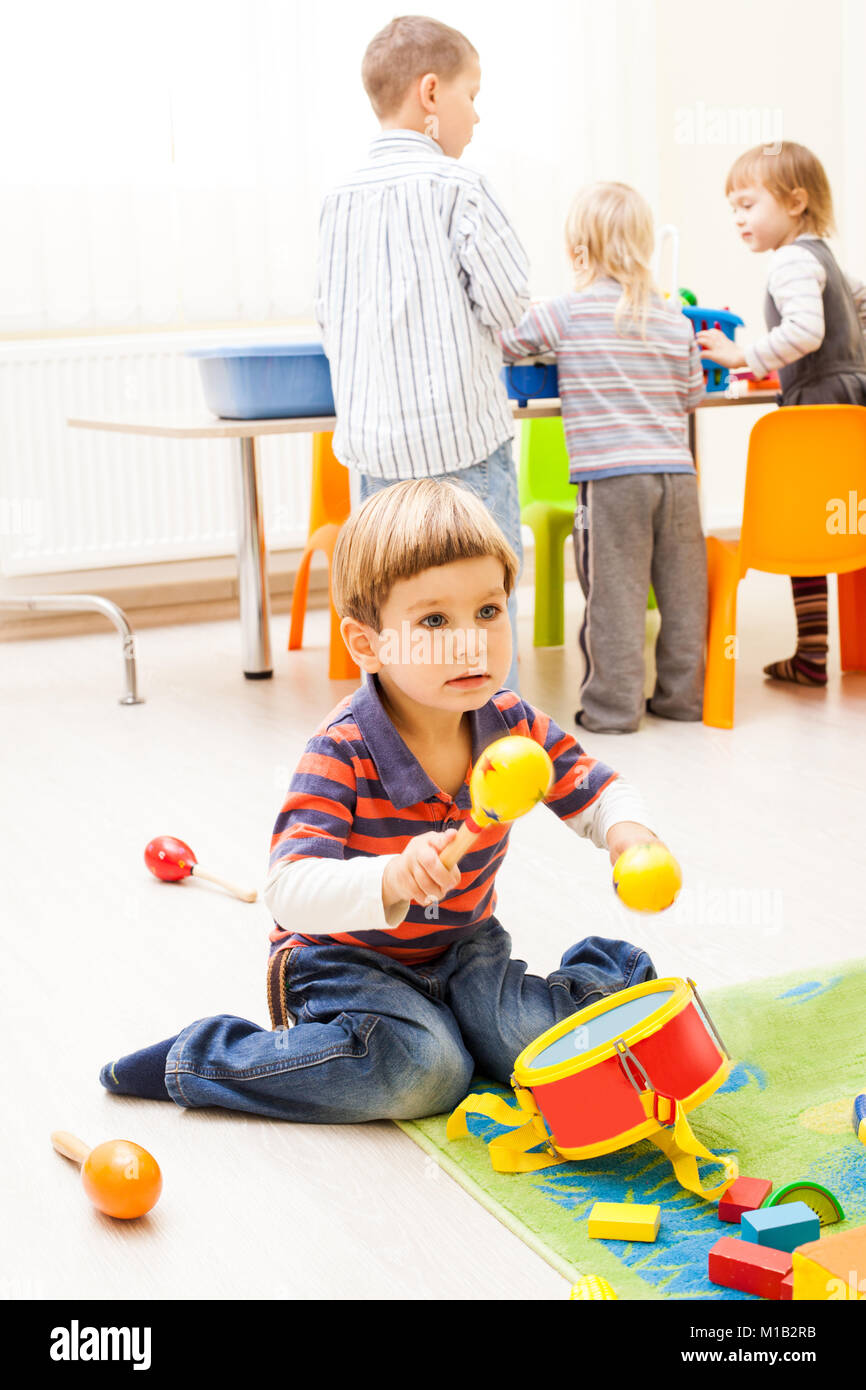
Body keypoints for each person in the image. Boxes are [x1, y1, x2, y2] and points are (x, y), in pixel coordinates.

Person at [99, 480, 667, 1122]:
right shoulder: (341, 750)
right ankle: (202, 1058)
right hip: (342, 959)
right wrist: (390, 877)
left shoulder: (511, 722)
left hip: (466, 944)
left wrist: (630, 837)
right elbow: (287, 889)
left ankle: (606, 975)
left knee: (527, 1049)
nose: (470, 642)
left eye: (488, 611)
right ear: (367, 644)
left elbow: (597, 790)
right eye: (434, 620)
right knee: (427, 1077)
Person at [314, 14, 531, 691]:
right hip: (463, 448)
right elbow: (509, 305)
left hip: (377, 458)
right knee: (480, 616)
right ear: (431, 93)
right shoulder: (460, 188)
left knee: (400, 616)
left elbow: (328, 319)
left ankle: (409, 764)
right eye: (472, 94)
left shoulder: (337, 200)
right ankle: (494, 763)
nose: (477, 114)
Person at [500, 182, 707, 734]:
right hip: (678, 476)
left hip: (611, 481)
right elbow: (691, 394)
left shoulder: (566, 313)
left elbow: (506, 343)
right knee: (684, 592)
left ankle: (613, 709)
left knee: (615, 596)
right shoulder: (675, 321)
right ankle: (683, 699)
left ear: (577, 251)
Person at [696, 141, 866, 687]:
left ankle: (812, 652)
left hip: (814, 413)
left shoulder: (791, 259)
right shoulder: (827, 259)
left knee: (801, 532)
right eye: (733, 209)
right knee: (837, 529)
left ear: (795, 202)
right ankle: (812, 654)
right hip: (848, 407)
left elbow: (805, 331)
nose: (738, 219)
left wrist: (742, 356)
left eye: (747, 205)